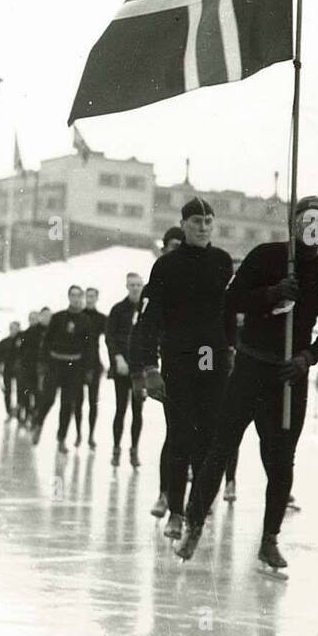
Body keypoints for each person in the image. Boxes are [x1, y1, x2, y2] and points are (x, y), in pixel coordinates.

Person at [176, 196, 318, 570]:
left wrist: (306, 358)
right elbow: (231, 300)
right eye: (305, 221)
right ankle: (194, 524)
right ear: (294, 224)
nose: (312, 228)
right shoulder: (267, 257)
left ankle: (269, 539)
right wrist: (272, 294)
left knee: (281, 460)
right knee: (220, 448)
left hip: (288, 378)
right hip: (250, 369)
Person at [135, 200, 235, 540]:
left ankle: (195, 510)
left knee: (207, 437)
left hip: (209, 356)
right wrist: (149, 367)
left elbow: (229, 310)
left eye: (208, 220)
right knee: (180, 434)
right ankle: (176, 512)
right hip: (178, 356)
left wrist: (231, 348)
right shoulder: (166, 267)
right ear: (184, 223)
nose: (203, 226)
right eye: (196, 221)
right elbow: (149, 321)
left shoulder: (222, 263)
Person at [145, 226, 184, 516]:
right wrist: (147, 369)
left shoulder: (201, 278)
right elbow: (144, 330)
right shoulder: (157, 282)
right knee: (175, 433)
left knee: (199, 435)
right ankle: (164, 494)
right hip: (171, 364)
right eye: (172, 247)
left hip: (202, 367)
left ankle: (191, 500)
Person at [36, 287, 92, 452]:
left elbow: (89, 347)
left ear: (81, 298)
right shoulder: (58, 317)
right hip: (55, 363)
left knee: (67, 404)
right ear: (68, 297)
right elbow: (47, 341)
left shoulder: (85, 320)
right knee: (48, 398)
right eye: (73, 295)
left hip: (74, 366)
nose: (75, 299)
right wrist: (42, 363)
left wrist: (88, 369)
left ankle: (61, 439)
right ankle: (39, 423)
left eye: (78, 296)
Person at [105, 272, 146, 469]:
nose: (136, 288)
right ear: (127, 286)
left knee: (138, 410)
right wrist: (117, 358)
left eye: (139, 284)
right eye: (132, 285)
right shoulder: (118, 309)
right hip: (122, 366)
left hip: (140, 368)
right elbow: (109, 337)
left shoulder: (148, 309)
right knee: (121, 408)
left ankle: (134, 449)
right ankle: (116, 448)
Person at [80, 287, 106, 448]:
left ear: (96, 298)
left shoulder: (102, 318)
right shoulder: (78, 316)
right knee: (77, 401)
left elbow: (110, 339)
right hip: (78, 362)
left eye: (93, 296)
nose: (90, 299)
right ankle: (77, 433)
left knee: (93, 401)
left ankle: (90, 435)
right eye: (87, 296)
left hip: (94, 363)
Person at [17, 310, 45, 426]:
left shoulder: (43, 333)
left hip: (38, 367)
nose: (33, 320)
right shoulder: (23, 334)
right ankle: (28, 413)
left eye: (35, 318)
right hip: (26, 367)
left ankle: (34, 414)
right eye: (31, 318)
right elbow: (19, 350)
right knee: (26, 392)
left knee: (38, 393)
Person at [0, 321, 22, 419]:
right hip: (7, 369)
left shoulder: (22, 341)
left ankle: (19, 412)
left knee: (20, 391)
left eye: (16, 328)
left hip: (19, 369)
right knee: (8, 391)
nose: (14, 330)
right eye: (12, 328)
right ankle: (9, 411)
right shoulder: (4, 342)